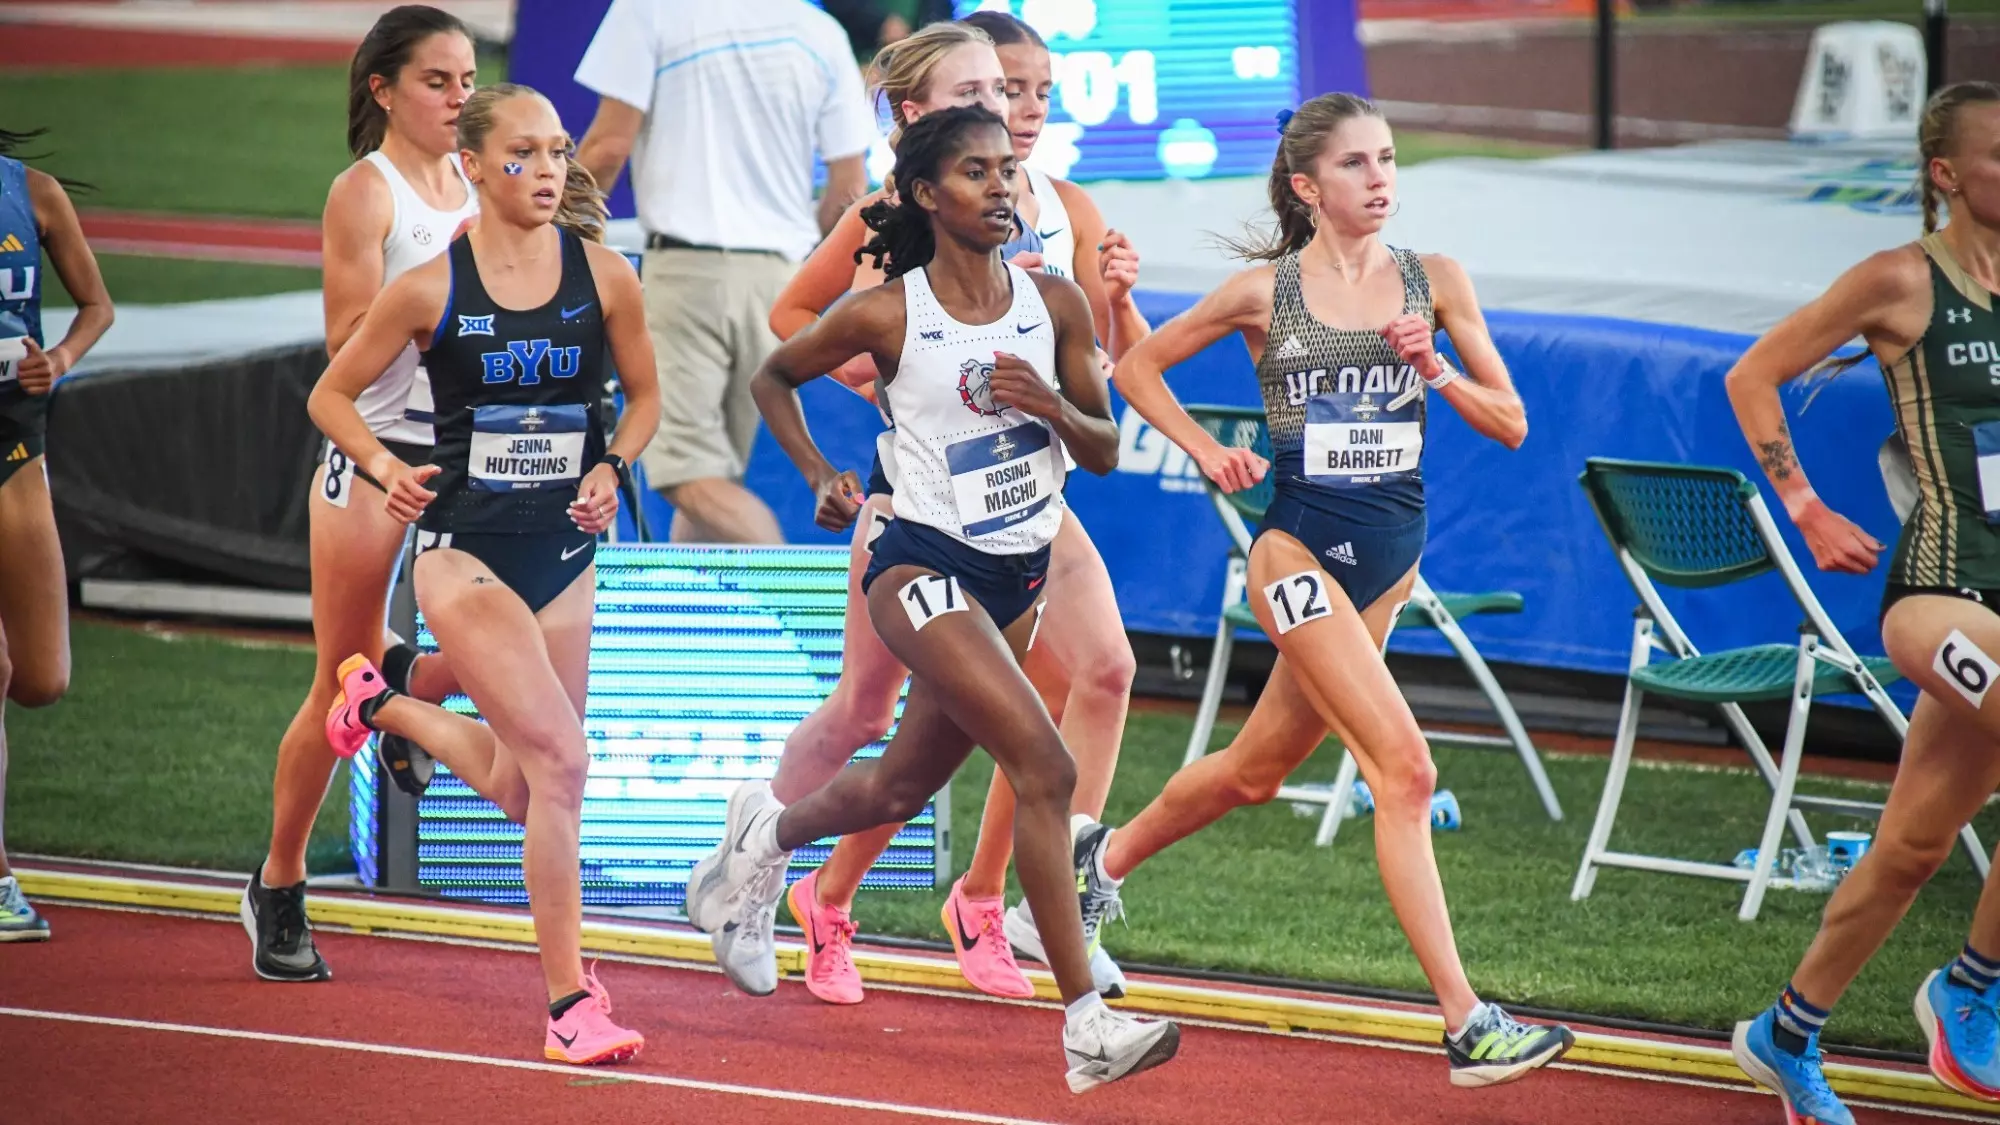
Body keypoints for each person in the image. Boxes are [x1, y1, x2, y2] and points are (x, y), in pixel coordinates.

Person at [1079, 91, 1575, 1088]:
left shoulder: (1433, 281)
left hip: (1391, 556)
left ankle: (1097, 868)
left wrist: (1436, 370)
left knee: (1255, 771)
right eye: (1356, 164)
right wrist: (1204, 447)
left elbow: (1512, 422)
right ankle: (1465, 1022)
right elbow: (1133, 368)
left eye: (1387, 159)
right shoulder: (1262, 292)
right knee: (1405, 771)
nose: (1380, 178)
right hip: (1295, 553)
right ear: (1306, 187)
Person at [684, 105, 1179, 1094]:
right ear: (923, 195)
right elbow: (775, 375)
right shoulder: (889, 313)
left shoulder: (1056, 304)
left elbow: (1105, 447)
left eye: (1005, 170)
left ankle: (760, 835)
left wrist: (1046, 403)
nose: (1001, 186)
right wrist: (824, 472)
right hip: (916, 567)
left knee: (896, 790)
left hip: (1016, 575)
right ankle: (1086, 1023)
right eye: (973, 172)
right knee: (1041, 760)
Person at [753, 13, 1149, 1007]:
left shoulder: (1058, 205)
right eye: (988, 94)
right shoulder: (897, 213)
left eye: (1027, 93)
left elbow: (1099, 367)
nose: (1014, 110)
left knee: (1099, 673)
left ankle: (994, 901)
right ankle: (807, 884)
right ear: (920, 117)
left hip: (1029, 501)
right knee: (879, 719)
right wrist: (864, 376)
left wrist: (1121, 308)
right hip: (924, 509)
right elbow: (792, 325)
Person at [307, 83, 661, 1065]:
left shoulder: (606, 275)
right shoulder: (428, 288)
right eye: (522, 156)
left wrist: (610, 465)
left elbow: (642, 399)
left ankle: (382, 705)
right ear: (469, 166)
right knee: (566, 766)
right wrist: (386, 470)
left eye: (556, 153)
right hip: (462, 556)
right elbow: (332, 396)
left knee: (527, 785)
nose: (547, 172)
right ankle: (566, 1007)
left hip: (566, 556)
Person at [1726, 81, 2000, 1125]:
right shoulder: (1897, 282)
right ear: (1945, 175)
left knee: (1909, 851)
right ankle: (1969, 993)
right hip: (1937, 596)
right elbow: (1753, 375)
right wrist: (1800, 503)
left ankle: (1781, 1035)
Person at [243, 4, 481, 983]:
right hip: (373, 449)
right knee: (331, 681)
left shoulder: (482, 174)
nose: (459, 98)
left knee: (490, 648)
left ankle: (404, 690)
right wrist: (443, 315)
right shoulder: (366, 191)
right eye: (438, 81)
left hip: (473, 450)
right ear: (382, 88)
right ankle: (281, 883)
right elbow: (346, 336)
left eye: (468, 80)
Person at [572, 0, 878, 544]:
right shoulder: (820, 32)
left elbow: (607, 147)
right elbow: (848, 188)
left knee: (684, 473)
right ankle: (694, 625)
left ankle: (800, 611)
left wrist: (551, 244)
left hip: (687, 276)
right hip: (781, 282)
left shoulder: (648, 12)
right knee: (712, 483)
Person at [0, 128, 113, 942]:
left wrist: (61, 357)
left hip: (17, 447)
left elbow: (96, 306)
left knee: (38, 677)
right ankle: (1, 874)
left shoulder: (32, 192)